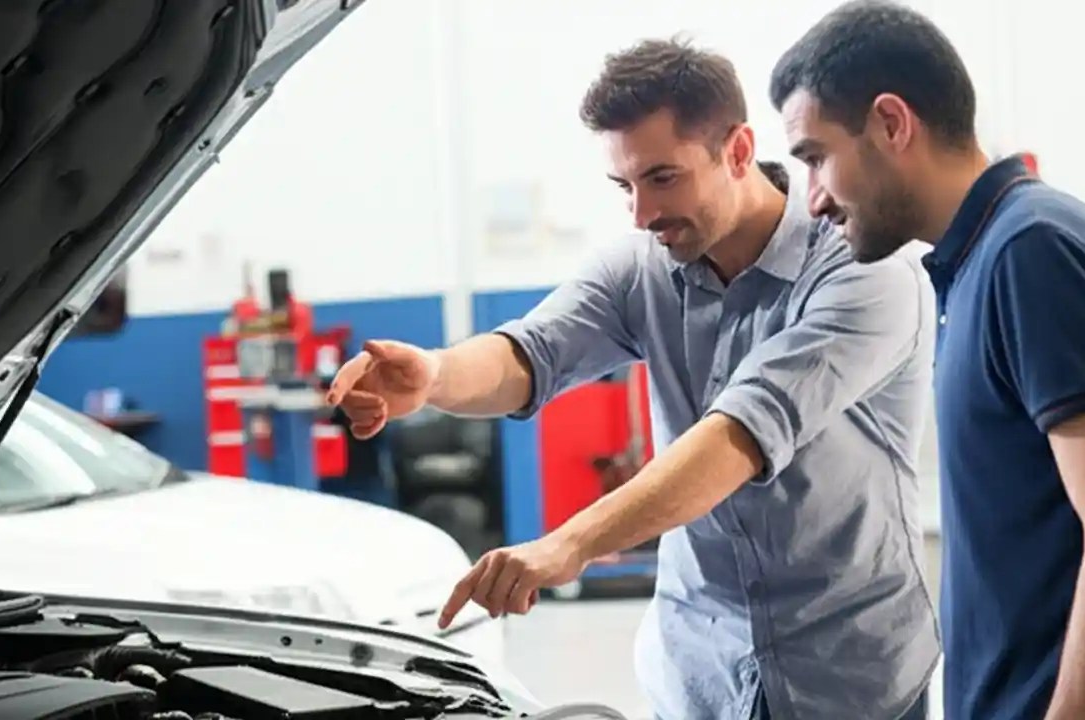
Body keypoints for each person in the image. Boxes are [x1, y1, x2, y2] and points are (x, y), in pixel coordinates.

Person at [328, 38, 937, 719]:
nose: (642, 214)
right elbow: (532, 352)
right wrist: (436, 375)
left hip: (846, 670)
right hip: (701, 671)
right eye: (625, 187)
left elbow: (739, 436)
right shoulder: (644, 265)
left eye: (663, 178)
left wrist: (569, 545)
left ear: (737, 151)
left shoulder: (866, 270)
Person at [768, 2, 1085, 718]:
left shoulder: (1033, 252)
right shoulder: (976, 264)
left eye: (816, 158)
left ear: (892, 123)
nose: (812, 199)